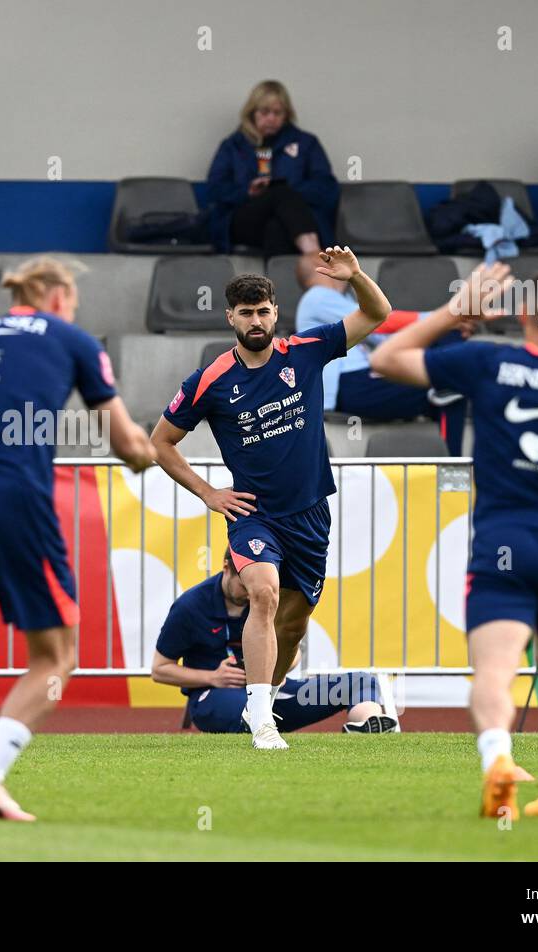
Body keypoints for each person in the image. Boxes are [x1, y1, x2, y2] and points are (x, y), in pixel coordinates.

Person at [370, 267, 538, 820]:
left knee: (495, 669)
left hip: (504, 540)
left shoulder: (491, 361)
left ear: (523, 317)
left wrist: (455, 311)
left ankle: (498, 758)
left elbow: (384, 359)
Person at [0, 256, 155, 821]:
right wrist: (147, 455)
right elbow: (127, 444)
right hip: (15, 497)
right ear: (58, 295)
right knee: (56, 655)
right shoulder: (70, 338)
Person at [150, 248, 390, 750]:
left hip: (310, 514)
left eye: (263, 311)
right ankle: (260, 721)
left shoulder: (306, 350)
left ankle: (269, 697)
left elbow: (377, 314)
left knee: (294, 624)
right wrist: (209, 492)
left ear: (275, 313)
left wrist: (357, 276)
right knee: (262, 590)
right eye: (245, 313)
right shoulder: (210, 380)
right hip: (253, 515)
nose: (255, 320)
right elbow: (160, 443)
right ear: (230, 318)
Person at [150, 550, 398, 733]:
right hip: (215, 695)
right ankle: (258, 727)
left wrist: (273, 666)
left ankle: (367, 726)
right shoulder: (189, 606)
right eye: (245, 583)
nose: (252, 591)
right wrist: (212, 678)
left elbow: (294, 653)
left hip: (271, 692)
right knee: (250, 714)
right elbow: (160, 669)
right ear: (226, 568)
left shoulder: (265, 594)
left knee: (362, 681)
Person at [297, 256, 498, 455]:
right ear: (320, 267)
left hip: (364, 380)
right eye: (329, 257)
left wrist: (446, 324)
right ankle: (453, 470)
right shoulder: (316, 296)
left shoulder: (341, 301)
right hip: (349, 384)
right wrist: (445, 318)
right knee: (449, 375)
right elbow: (383, 321)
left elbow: (387, 339)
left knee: (451, 383)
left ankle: (450, 467)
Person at [206, 80, 339, 256]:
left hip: (294, 221)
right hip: (246, 219)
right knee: (278, 193)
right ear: (252, 113)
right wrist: (248, 192)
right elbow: (215, 190)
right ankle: (317, 259)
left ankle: (272, 283)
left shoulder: (306, 143)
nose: (271, 118)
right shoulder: (233, 146)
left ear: (286, 115)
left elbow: (326, 188)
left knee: (276, 225)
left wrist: (290, 191)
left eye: (277, 113)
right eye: (265, 112)